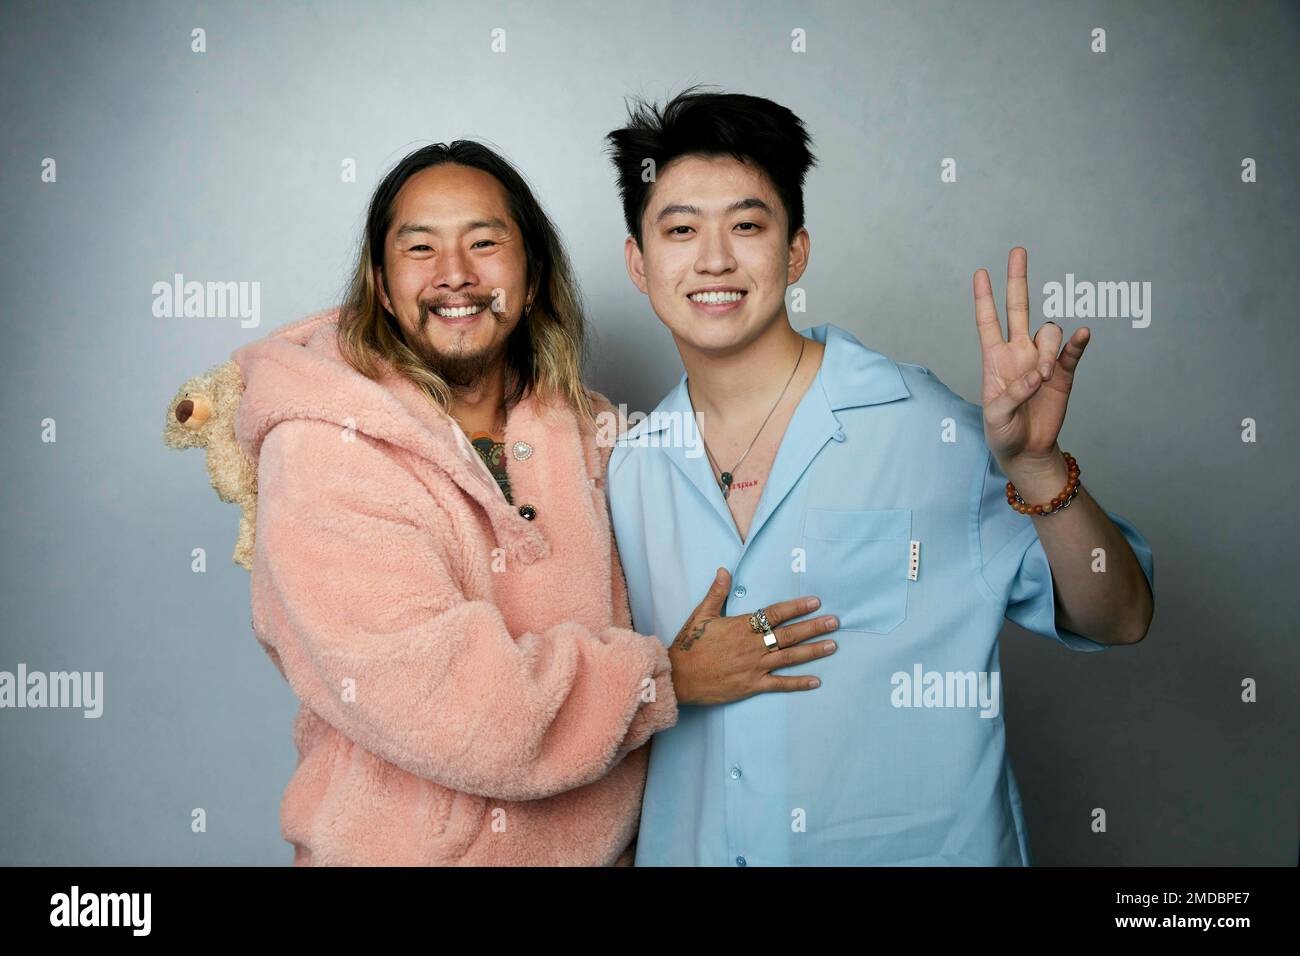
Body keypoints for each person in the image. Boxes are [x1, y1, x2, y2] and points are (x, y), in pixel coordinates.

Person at [231, 140, 839, 865]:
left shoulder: (590, 433)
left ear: (531, 272)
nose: (455, 274)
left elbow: (723, 555)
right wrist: (665, 681)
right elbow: (452, 704)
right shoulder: (325, 450)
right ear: (384, 286)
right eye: (420, 248)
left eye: (485, 242)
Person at [603, 88, 1155, 865]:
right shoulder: (631, 469)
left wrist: (1036, 466)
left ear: (795, 251)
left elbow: (1120, 616)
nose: (715, 259)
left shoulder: (927, 426)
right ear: (638, 261)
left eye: (748, 225)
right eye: (681, 229)